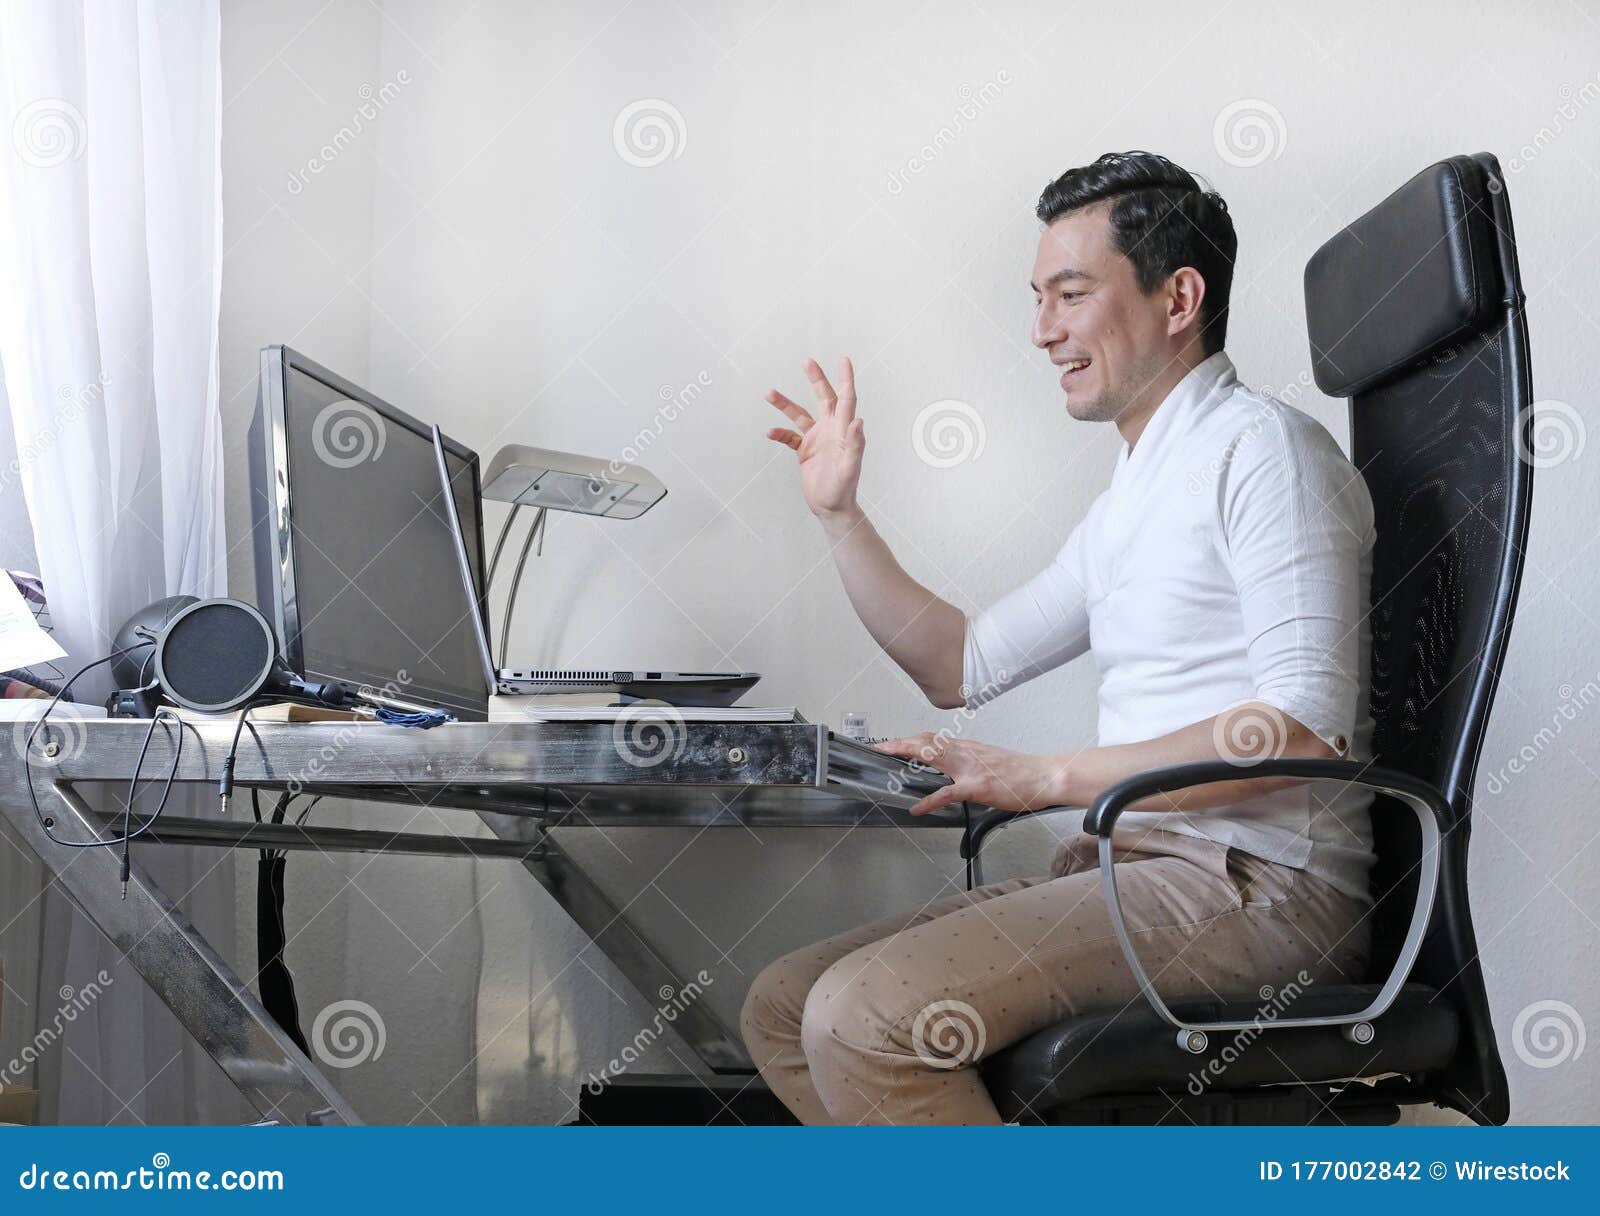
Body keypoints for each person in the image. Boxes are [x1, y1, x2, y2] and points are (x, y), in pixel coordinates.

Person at [741, 151, 1378, 1125]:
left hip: (1257, 885)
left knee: (863, 1017)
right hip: (1139, 870)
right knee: (785, 1008)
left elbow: (1300, 732)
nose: (1041, 330)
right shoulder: (1133, 496)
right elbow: (960, 664)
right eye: (1038, 298)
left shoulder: (1263, 454)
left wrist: (1048, 776)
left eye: (1070, 294)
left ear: (1178, 298)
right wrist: (840, 517)